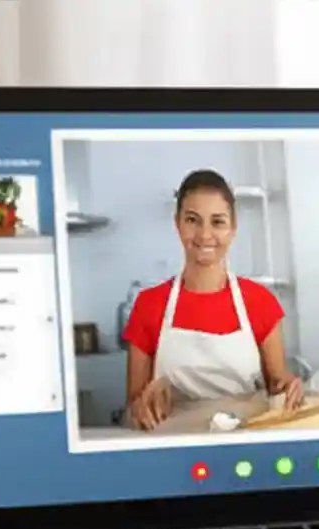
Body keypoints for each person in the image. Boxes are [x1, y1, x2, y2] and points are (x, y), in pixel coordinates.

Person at [122, 169, 303, 430]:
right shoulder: (149, 305)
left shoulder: (260, 302)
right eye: (193, 220)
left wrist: (289, 387)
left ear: (233, 229)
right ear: (177, 224)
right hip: (171, 446)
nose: (205, 235)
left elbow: (277, 384)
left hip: (244, 444)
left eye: (217, 222)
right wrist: (141, 405)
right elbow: (133, 405)